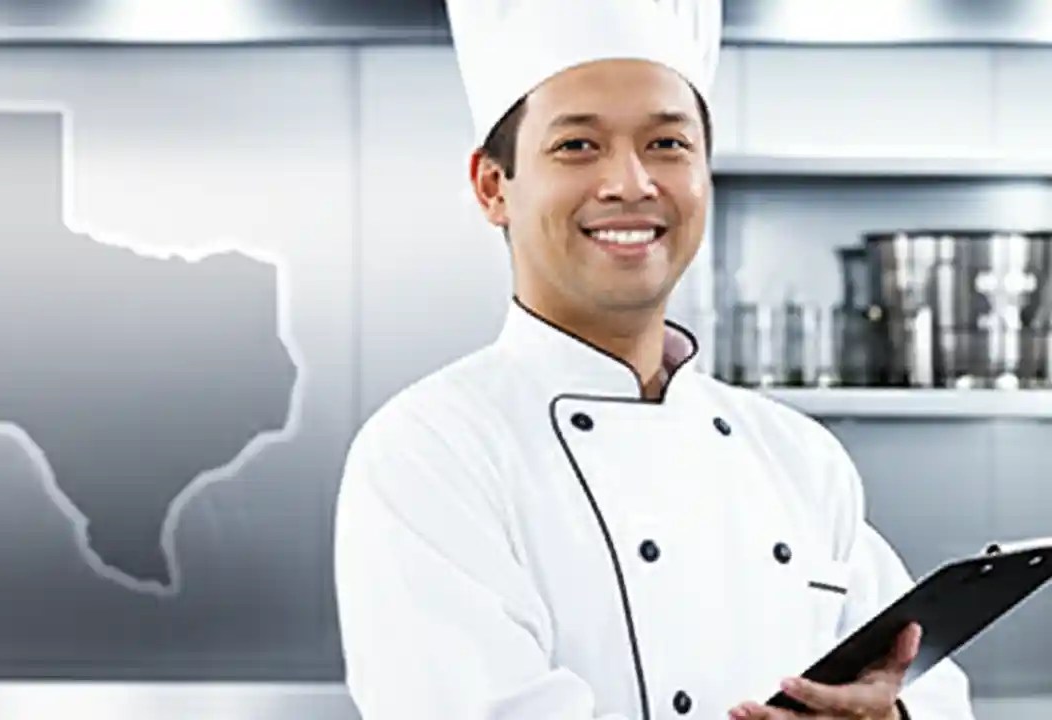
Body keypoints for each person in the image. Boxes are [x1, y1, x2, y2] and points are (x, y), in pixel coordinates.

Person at [333, 1, 976, 718]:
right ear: (493, 187)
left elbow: (929, 684)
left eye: (668, 144)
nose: (632, 183)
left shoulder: (797, 455)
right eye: (578, 146)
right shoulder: (433, 450)